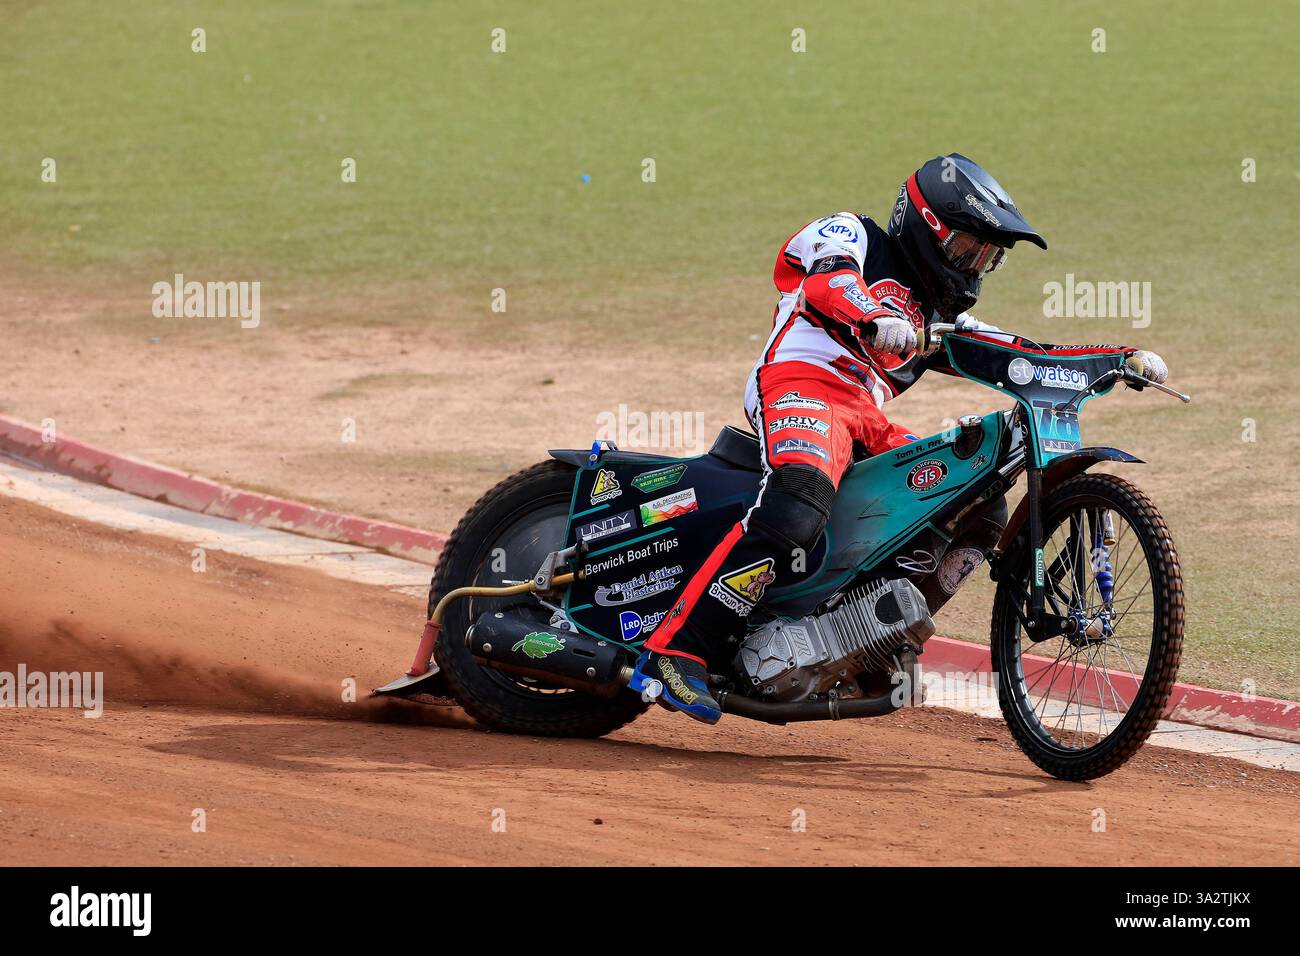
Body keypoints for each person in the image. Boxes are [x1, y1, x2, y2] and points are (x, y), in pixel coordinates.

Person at [628, 153, 1169, 723]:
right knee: (801, 496)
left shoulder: (939, 317)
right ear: (925, 226)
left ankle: (870, 641)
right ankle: (678, 649)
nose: (973, 266)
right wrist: (870, 316)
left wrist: (1113, 359)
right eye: (966, 249)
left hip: (866, 415)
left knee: (975, 503)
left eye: (987, 258)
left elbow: (1019, 353)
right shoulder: (851, 232)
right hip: (800, 382)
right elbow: (829, 279)